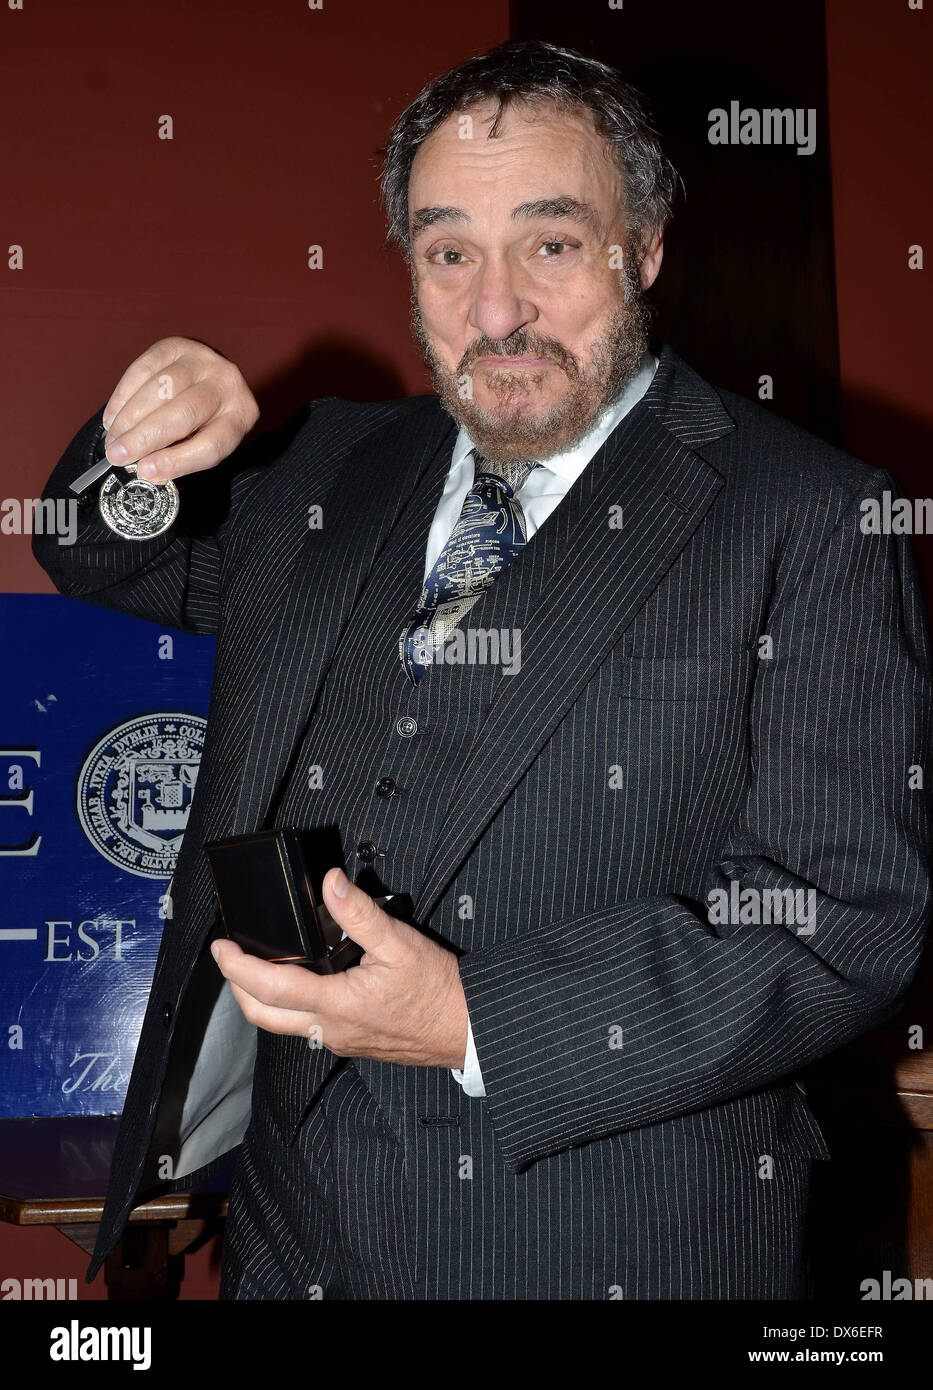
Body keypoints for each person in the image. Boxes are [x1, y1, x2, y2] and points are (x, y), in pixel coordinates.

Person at [33, 39, 931, 1301]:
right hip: (289, 1241)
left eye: (552, 245)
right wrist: (143, 443)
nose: (495, 308)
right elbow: (87, 551)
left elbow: (845, 915)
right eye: (451, 252)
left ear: (647, 247)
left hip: (605, 1243)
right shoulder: (330, 466)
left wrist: (473, 1022)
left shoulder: (812, 516)